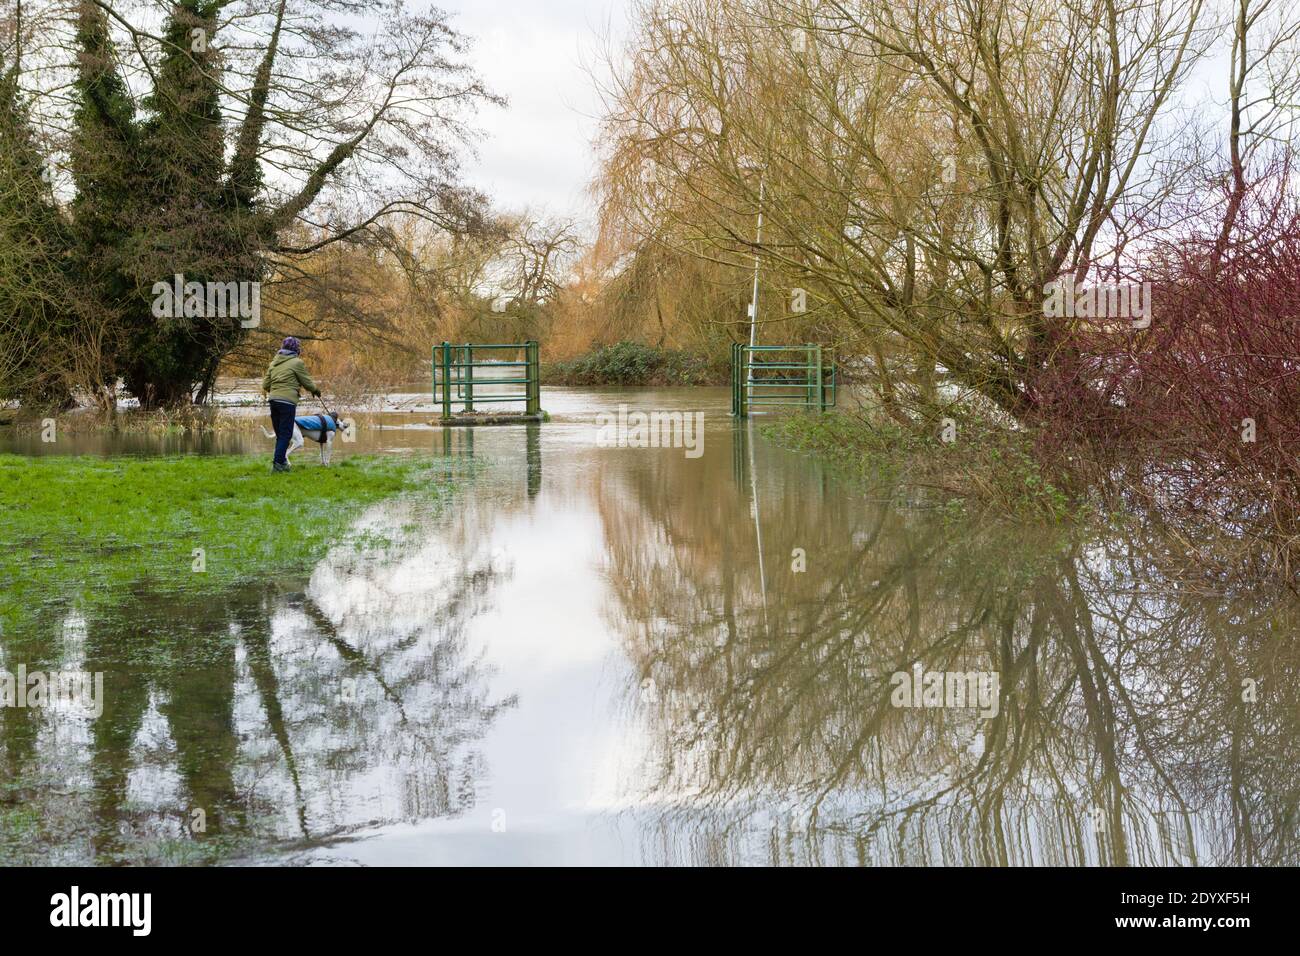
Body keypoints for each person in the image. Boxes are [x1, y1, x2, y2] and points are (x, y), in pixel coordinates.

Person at [261, 336, 321, 472]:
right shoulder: (296, 362)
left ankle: (281, 462)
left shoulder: (273, 363)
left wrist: (276, 389)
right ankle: (277, 464)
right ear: (296, 350)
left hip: (273, 401)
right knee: (286, 435)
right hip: (287, 402)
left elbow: (265, 384)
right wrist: (316, 391)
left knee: (280, 434)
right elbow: (306, 381)